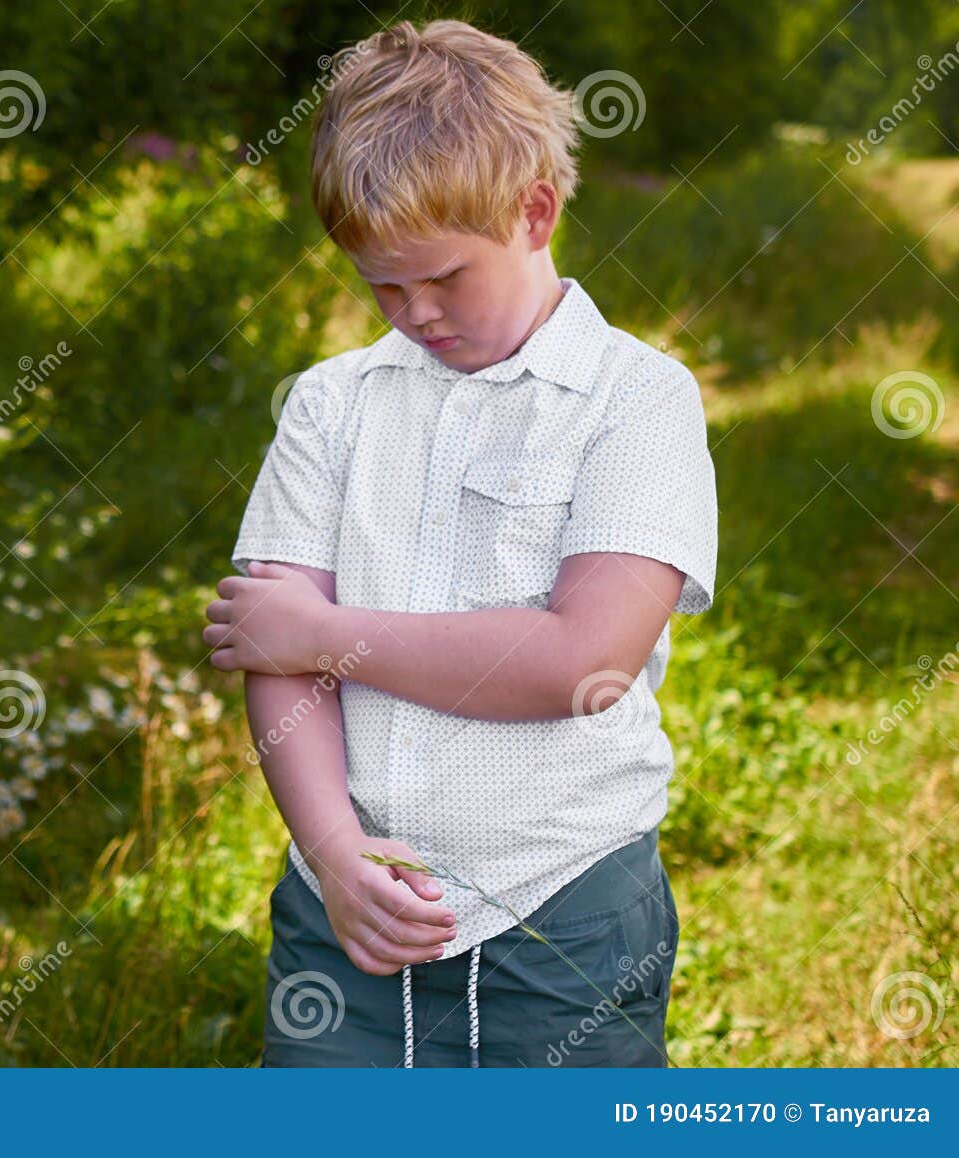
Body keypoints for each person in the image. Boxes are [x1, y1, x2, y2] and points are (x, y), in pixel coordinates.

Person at [203, 17, 718, 1067]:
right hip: (343, 914)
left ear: (534, 211)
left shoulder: (636, 400)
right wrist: (334, 852)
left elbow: (587, 659)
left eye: (441, 277)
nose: (413, 311)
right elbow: (270, 653)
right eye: (380, 285)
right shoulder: (328, 405)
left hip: (562, 913)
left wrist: (324, 632)